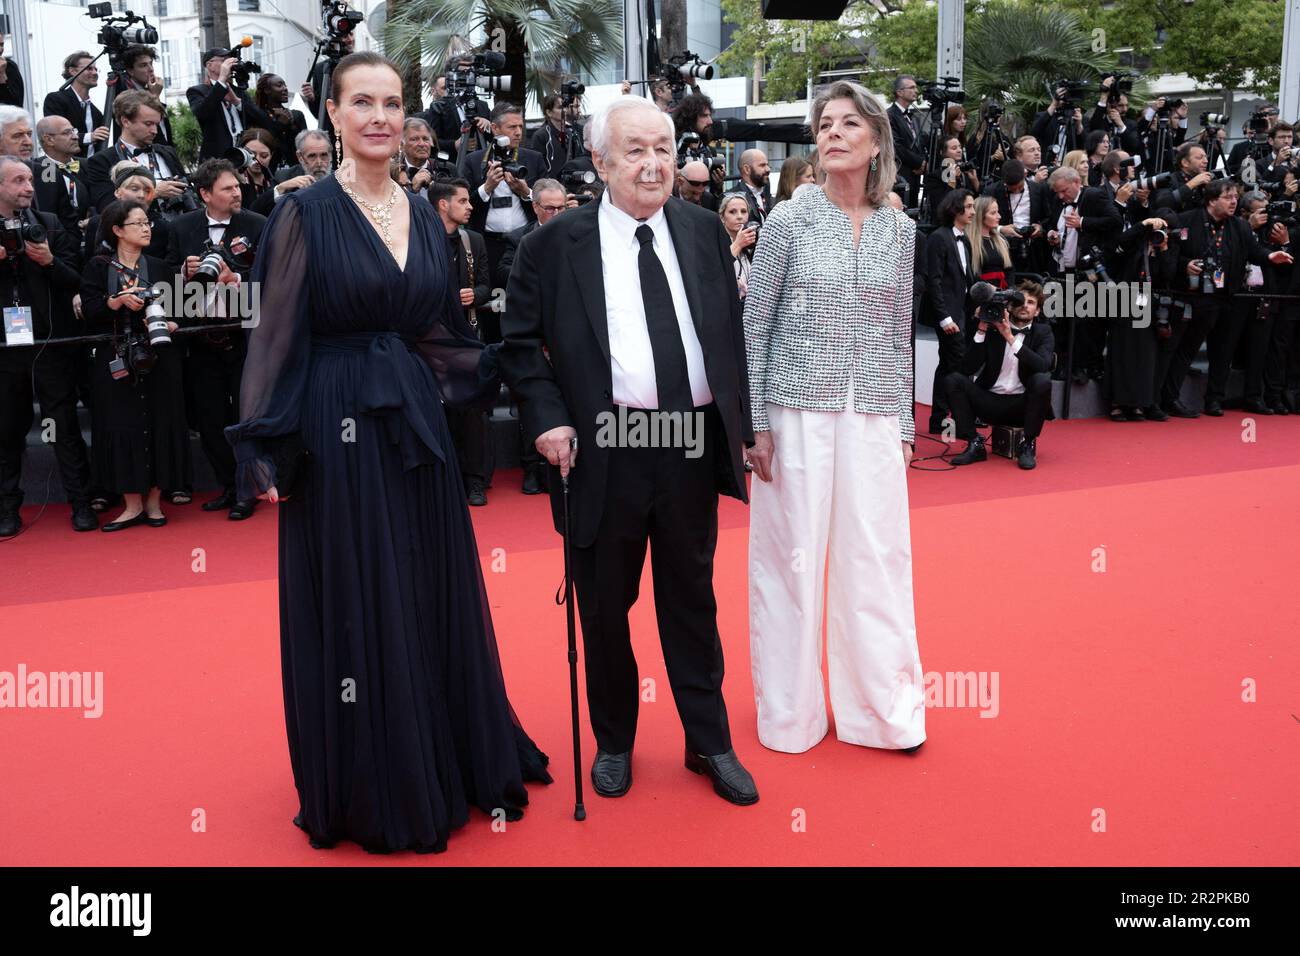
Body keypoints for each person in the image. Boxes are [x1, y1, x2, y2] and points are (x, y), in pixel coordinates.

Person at [224, 51, 550, 854]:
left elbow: (440, 336)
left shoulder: (423, 212)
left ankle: (448, 752)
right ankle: (381, 777)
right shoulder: (303, 215)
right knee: (364, 589)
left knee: (429, 579)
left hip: (415, 420)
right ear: (330, 113)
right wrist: (263, 440)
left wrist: (523, 366)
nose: (379, 116)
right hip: (338, 422)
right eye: (361, 101)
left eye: (392, 102)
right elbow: (275, 338)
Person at [500, 95, 759, 806]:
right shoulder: (552, 247)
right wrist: (548, 420)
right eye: (637, 151)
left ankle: (709, 741)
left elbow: (726, 335)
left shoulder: (705, 231)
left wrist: (743, 424)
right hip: (603, 446)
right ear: (601, 161)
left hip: (687, 441)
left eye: (665, 149)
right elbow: (519, 346)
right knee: (605, 605)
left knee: (692, 600)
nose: (654, 165)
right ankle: (614, 739)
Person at [743, 78, 924, 755]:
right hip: (796, 412)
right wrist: (754, 421)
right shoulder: (791, 218)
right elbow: (753, 323)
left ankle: (883, 712)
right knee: (790, 563)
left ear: (876, 139)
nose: (834, 133)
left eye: (850, 123)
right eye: (824, 124)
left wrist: (905, 426)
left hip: (873, 413)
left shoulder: (901, 229)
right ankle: (790, 715)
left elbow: (899, 331)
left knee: (877, 561)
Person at [79, 199, 190, 531]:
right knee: (121, 424)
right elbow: (89, 310)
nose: (145, 228)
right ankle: (131, 504)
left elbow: (181, 309)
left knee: (161, 422)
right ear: (116, 230)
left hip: (159, 355)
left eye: (147, 223)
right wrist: (114, 302)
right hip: (116, 357)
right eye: (137, 223)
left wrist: (171, 322)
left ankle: (155, 503)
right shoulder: (98, 267)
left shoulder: (158, 266)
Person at [0, 157, 94, 537]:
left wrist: (50, 262)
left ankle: (82, 504)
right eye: (18, 180)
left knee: (64, 427)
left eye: (29, 179)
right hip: (5, 351)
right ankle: (8, 509)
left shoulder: (50, 224)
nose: (28, 186)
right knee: (7, 432)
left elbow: (79, 281)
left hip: (49, 345)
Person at [187, 49, 274, 162]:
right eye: (224, 60)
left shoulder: (239, 92)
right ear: (210, 65)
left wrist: (237, 102)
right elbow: (203, 113)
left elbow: (262, 119)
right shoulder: (197, 91)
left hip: (244, 155)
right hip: (217, 158)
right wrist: (221, 81)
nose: (229, 63)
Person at [42, 51, 109, 159]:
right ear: (72, 71)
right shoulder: (55, 100)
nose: (95, 72)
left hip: (91, 170)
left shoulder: (96, 112)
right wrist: (90, 137)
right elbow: (56, 134)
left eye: (96, 69)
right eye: (89, 68)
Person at [253, 73, 307, 171]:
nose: (285, 88)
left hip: (296, 171)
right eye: (279, 85)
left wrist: (292, 126)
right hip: (269, 173)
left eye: (285, 85)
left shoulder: (296, 115)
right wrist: (280, 125)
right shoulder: (259, 116)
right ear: (267, 90)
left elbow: (304, 146)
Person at [719, 192, 756, 299]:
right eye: (732, 212)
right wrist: (738, 244)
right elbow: (717, 270)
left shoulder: (753, 241)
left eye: (744, 211)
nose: (739, 216)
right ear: (722, 217)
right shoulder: (715, 240)